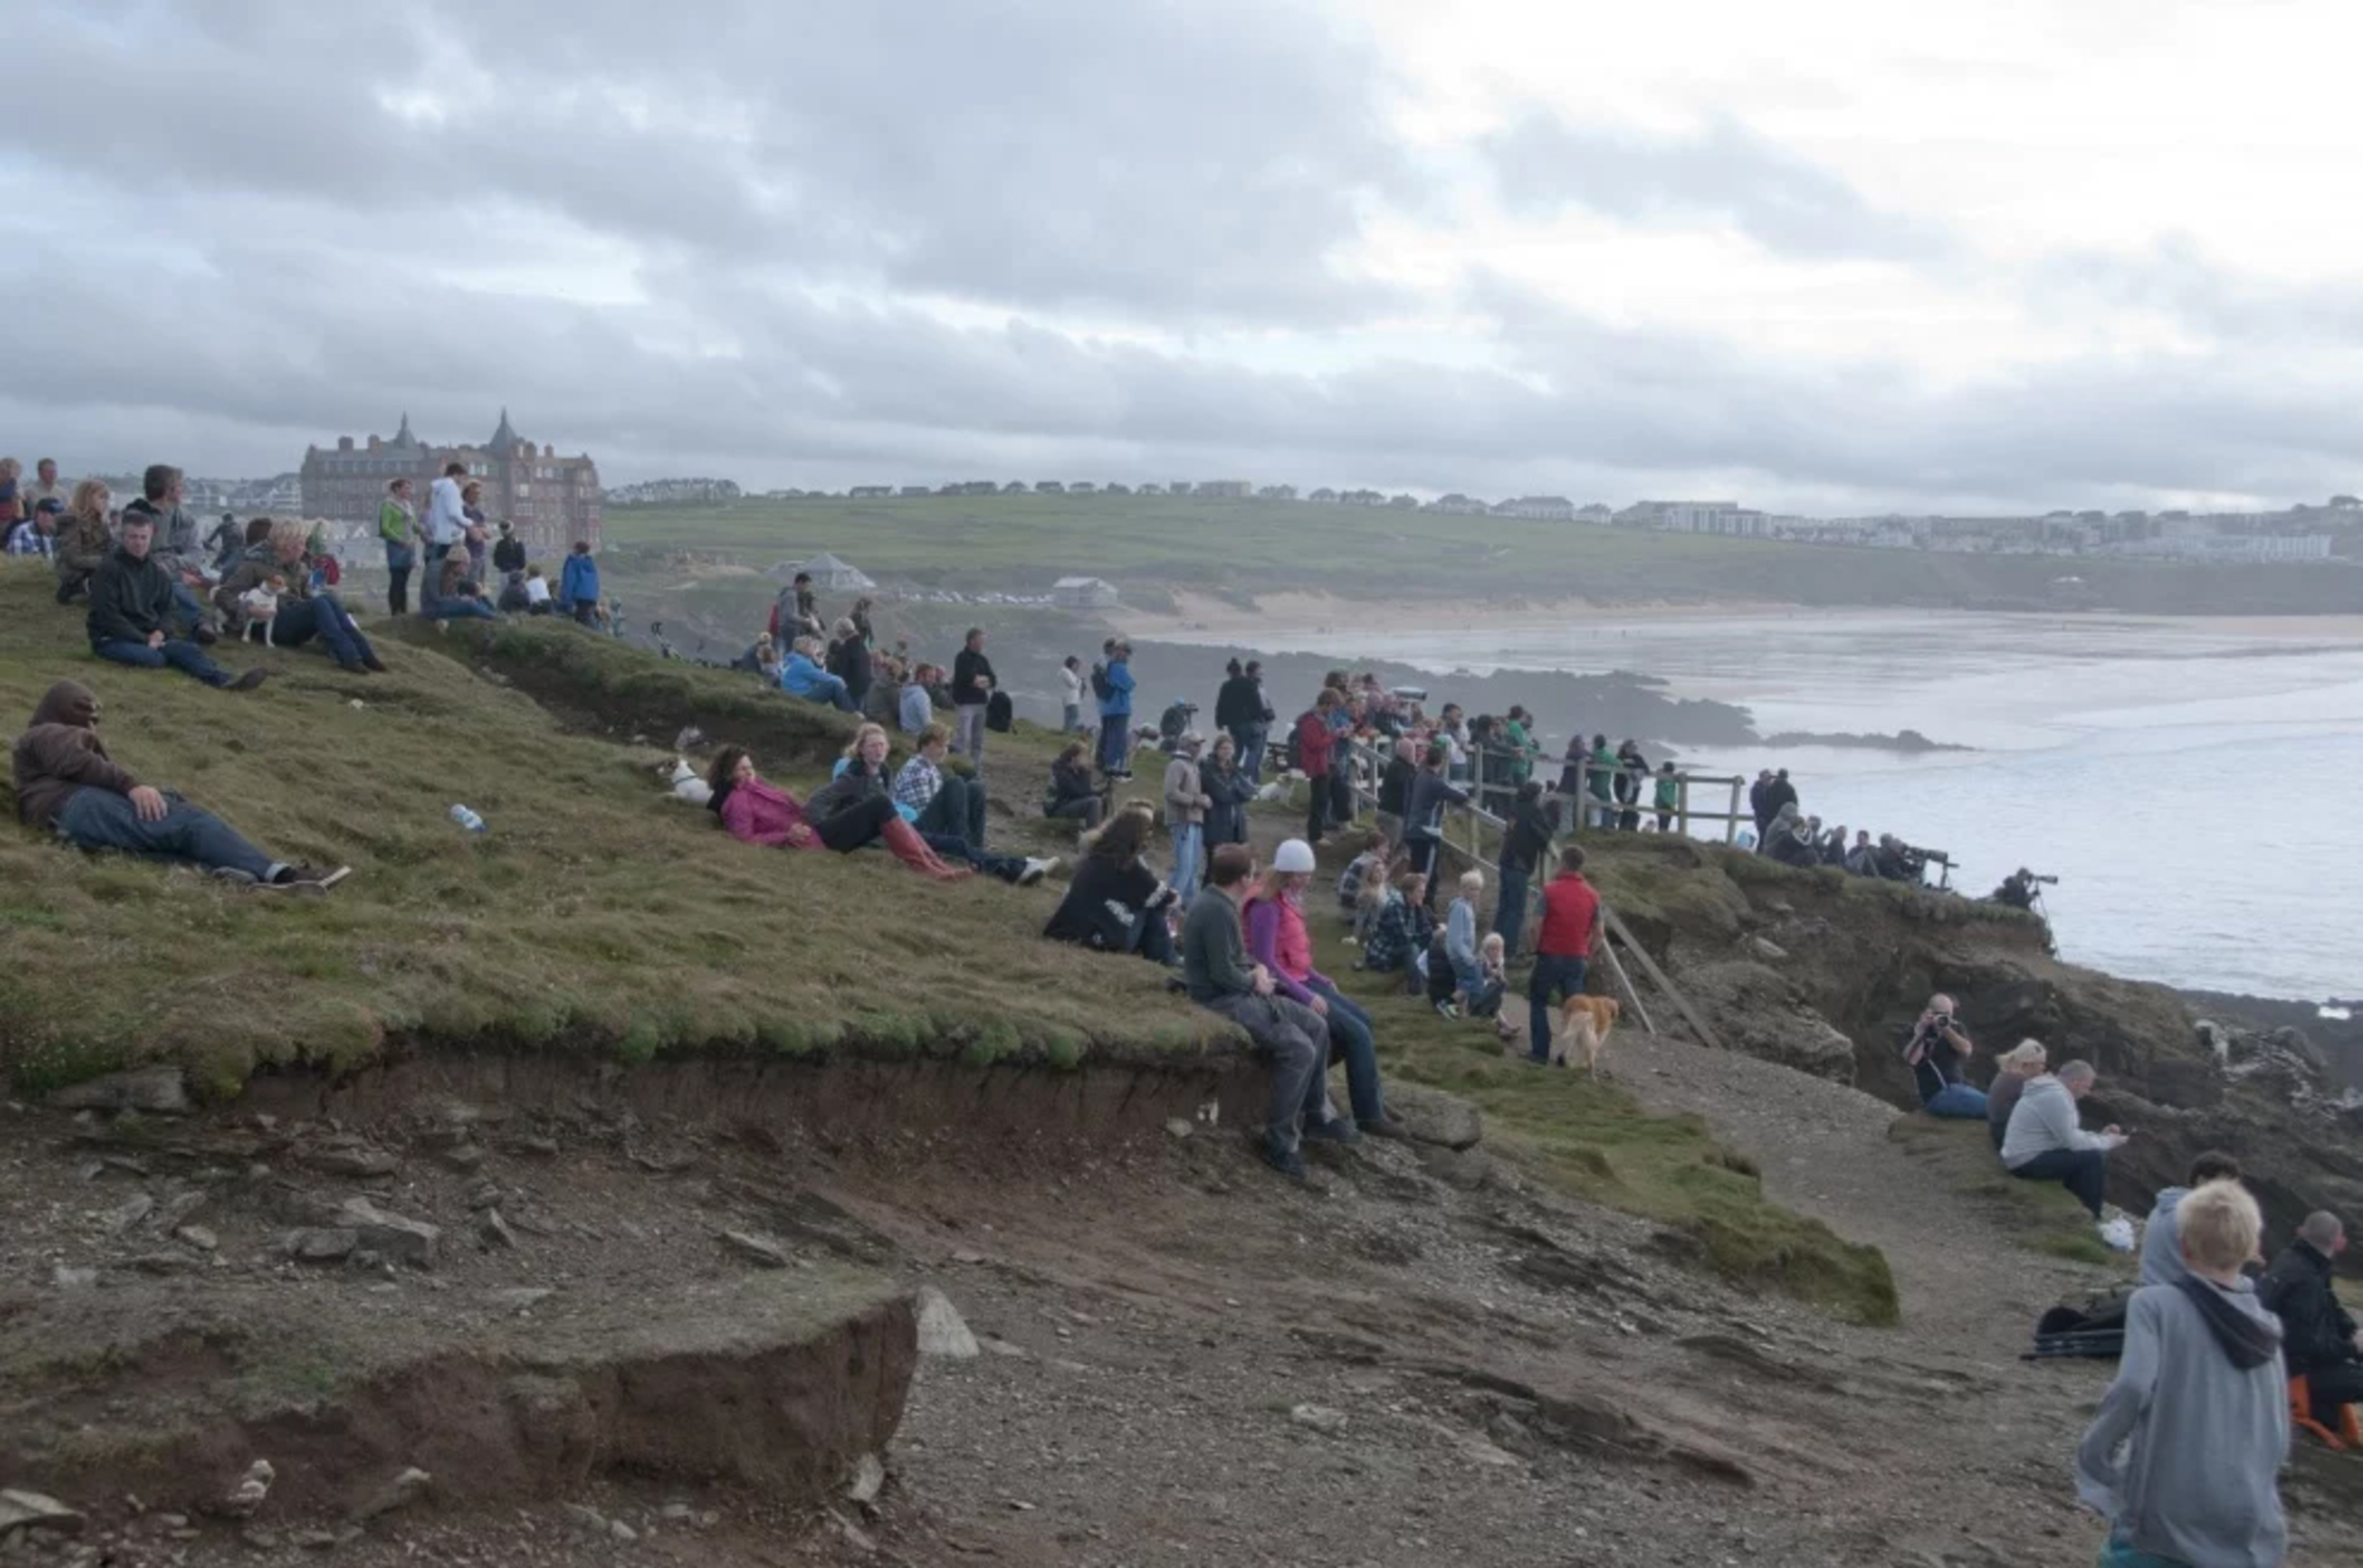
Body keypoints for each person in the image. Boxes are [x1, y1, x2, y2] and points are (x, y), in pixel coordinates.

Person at [2076, 1180, 2288, 1568]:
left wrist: (2096, 1463)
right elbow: (2278, 1431)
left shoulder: (2155, 1306)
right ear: (2250, 1249)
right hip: (2246, 1519)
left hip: (2166, 1510)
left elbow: (2132, 1386)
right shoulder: (2268, 1326)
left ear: (2184, 1245)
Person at [12, 681, 337, 888]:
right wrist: (131, 786)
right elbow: (75, 762)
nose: (92, 726)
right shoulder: (50, 732)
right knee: (188, 823)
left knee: (160, 848)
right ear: (65, 711)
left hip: (62, 820)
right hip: (76, 804)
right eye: (88, 717)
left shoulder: (40, 739)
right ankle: (283, 875)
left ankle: (241, 880)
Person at [1181, 844, 1337, 1180]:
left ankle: (1313, 1115)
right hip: (1223, 999)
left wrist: (1256, 970)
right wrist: (1255, 980)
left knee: (1316, 1025)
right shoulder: (1217, 911)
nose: (1255, 878)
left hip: (1241, 989)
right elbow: (1222, 974)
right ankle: (1279, 1142)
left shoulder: (1221, 903)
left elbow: (1232, 960)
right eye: (1251, 873)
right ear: (1241, 879)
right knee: (1299, 1049)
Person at [1241, 839, 1401, 1140]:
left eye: (1308, 874)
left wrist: (1319, 978)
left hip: (1299, 978)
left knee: (1363, 1020)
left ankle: (1369, 1095)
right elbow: (1265, 961)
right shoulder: (1266, 905)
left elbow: (1292, 953)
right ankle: (1369, 1115)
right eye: (1302, 874)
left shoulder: (1287, 896)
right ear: (1286, 871)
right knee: (1356, 1033)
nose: (1307, 880)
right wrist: (1306, 995)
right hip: (1282, 987)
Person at [815, 724, 1049, 885]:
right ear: (861, 749)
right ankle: (1015, 869)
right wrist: (816, 831)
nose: (878, 749)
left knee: (971, 791)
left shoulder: (883, 772)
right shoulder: (854, 774)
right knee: (956, 815)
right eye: (872, 745)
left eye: (881, 745)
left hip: (900, 825)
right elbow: (821, 801)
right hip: (892, 832)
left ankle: (1018, 863)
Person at [706, 745, 966, 880]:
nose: (750, 772)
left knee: (882, 809)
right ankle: (928, 869)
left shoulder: (755, 786)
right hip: (811, 839)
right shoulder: (737, 802)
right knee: (880, 805)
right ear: (728, 773)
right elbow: (744, 839)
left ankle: (936, 865)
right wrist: (786, 835)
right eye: (742, 769)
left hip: (815, 830)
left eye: (750, 766)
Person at [86, 512, 268, 692]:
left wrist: (160, 632)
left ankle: (223, 680)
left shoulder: (155, 570)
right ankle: (171, 655)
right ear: (123, 537)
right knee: (155, 658)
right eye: (133, 537)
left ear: (151, 537)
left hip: (150, 635)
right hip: (111, 638)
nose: (139, 542)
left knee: (184, 649)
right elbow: (109, 616)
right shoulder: (108, 569)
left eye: (144, 537)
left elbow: (169, 608)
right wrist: (144, 639)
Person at [214, 519, 387, 673]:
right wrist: (249, 609)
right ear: (288, 545)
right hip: (270, 624)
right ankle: (349, 657)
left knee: (327, 597)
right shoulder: (252, 565)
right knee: (320, 602)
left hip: (293, 619)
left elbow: (307, 596)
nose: (305, 548)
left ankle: (364, 653)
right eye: (302, 543)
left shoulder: (299, 568)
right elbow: (223, 594)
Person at [2260, 1211, 2363, 1443]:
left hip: (2284, 1362)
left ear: (2300, 1232)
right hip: (2293, 1374)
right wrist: (2351, 1348)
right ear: (2339, 1243)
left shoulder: (2298, 1260)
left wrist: (2353, 1331)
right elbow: (2307, 1345)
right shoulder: (2305, 1281)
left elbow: (2332, 1307)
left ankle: (2327, 1414)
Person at [2001, 1060, 2128, 1230]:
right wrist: (2108, 1142)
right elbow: (2072, 1141)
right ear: (2076, 1083)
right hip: (2025, 1161)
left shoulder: (2052, 1091)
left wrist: (2099, 1136)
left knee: (2085, 1155)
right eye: (2087, 1087)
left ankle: (2079, 1206)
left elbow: (2068, 1134)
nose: (2088, 1092)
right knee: (2093, 1158)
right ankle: (2093, 1218)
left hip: (2025, 1153)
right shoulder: (2056, 1097)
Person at [1044, 802, 1178, 962]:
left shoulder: (1097, 852)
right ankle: (1167, 957)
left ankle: (1165, 952)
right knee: (1152, 908)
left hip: (1068, 928)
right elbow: (1168, 899)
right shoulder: (1128, 865)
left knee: (1147, 900)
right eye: (1148, 829)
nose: (1150, 834)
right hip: (1099, 937)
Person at [121, 464, 218, 641]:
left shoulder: (184, 518)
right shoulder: (136, 516)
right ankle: (198, 622)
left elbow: (196, 553)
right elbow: (130, 552)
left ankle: (197, 624)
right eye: (180, 485)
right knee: (172, 584)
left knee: (173, 583)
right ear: (168, 489)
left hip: (172, 570)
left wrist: (173, 565)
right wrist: (173, 570)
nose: (183, 490)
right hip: (140, 573)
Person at [1527, 846, 1603, 1064]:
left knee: (1538, 1000)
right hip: (1576, 959)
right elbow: (1599, 933)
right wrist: (1587, 955)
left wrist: (1535, 947)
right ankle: (1566, 1057)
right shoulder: (1592, 895)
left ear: (1562, 862)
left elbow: (1535, 926)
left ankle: (1540, 1053)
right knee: (1575, 1011)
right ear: (1581, 865)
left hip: (1549, 955)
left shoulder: (1550, 890)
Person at [2140, 1150, 2246, 1289]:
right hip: (2178, 1300)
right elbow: (2214, 1278)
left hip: (2150, 1288)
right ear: (2201, 1181)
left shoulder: (2165, 1204)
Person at [894, 723, 992, 849]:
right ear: (925, 745)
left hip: (929, 822)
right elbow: (923, 809)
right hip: (915, 830)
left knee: (975, 788)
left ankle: (976, 848)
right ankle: (961, 846)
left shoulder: (931, 768)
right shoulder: (916, 769)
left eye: (946, 746)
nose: (944, 751)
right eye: (940, 746)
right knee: (955, 784)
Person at [1401, 741, 1468, 906]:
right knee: (1427, 875)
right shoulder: (1435, 782)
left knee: (1416, 869)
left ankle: (1409, 903)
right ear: (1442, 762)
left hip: (1413, 828)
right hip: (1428, 833)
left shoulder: (1419, 775)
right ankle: (1424, 907)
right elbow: (1460, 795)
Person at [1495, 780, 1556, 963]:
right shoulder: (1534, 812)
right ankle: (1509, 952)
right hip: (1519, 864)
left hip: (1506, 860)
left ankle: (1494, 947)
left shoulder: (1515, 807)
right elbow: (1545, 835)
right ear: (1536, 796)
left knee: (1504, 906)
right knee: (1516, 910)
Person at [1901, 993, 1985, 1118]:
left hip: (1960, 1088)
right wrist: (1921, 1032)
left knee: (1993, 1103)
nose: (1944, 1018)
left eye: (1948, 1015)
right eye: (1940, 1013)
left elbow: (1967, 1051)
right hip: (1937, 1094)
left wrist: (1946, 1030)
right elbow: (1911, 1060)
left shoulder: (1955, 1027)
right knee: (1990, 1107)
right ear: (1929, 1012)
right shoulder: (1916, 1030)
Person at [1361, 870, 1436, 988]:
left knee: (1434, 944)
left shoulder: (1415, 905)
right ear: (1408, 892)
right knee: (1413, 948)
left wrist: (1433, 935)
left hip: (1397, 949)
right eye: (1420, 892)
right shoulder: (1395, 907)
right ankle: (1416, 990)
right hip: (1382, 955)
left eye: (1424, 891)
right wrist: (1430, 935)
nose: (1423, 895)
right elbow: (1404, 938)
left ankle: (1433, 985)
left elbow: (1426, 929)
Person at [1163, 731, 1212, 908]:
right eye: (1195, 744)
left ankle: (1189, 907)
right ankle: (1166, 907)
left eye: (1200, 744)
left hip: (1194, 821)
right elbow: (1170, 792)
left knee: (1193, 867)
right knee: (1183, 867)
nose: (1199, 748)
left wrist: (1203, 799)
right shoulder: (1177, 764)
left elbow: (1191, 793)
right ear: (1183, 745)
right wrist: (1196, 800)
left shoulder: (1193, 765)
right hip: (1182, 821)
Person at [51, 479, 114, 606]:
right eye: (101, 497)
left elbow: (108, 547)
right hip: (75, 570)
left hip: (95, 564)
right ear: (87, 498)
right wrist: (103, 561)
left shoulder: (101, 522)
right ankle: (75, 587)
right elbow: (72, 558)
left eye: (106, 498)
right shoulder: (72, 521)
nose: (105, 502)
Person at [1293, 689, 1339, 844]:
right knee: (1319, 801)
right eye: (1333, 706)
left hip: (1325, 763)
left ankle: (1320, 831)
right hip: (1317, 765)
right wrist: (1335, 736)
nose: (1333, 710)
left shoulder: (1322, 719)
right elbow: (1316, 744)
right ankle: (1315, 835)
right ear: (1326, 704)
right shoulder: (1311, 721)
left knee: (1325, 798)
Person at [1985, 1039, 2047, 1151]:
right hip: (2005, 1134)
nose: (2043, 1067)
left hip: (1998, 1129)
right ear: (2028, 1064)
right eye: (2041, 1063)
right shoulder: (2019, 1080)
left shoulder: (2009, 1074)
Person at [1201, 732, 1254, 853]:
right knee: (1215, 862)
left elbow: (1249, 793)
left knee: (1235, 861)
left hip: (1236, 824)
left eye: (1229, 748)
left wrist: (1234, 790)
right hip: (1216, 823)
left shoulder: (1234, 769)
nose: (1227, 751)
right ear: (1216, 750)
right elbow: (1222, 795)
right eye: (1223, 748)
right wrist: (1237, 791)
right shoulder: (1208, 769)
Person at [950, 627, 994, 764]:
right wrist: (981, 680)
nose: (983, 643)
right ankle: (957, 765)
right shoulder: (961, 658)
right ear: (971, 641)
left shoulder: (983, 660)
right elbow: (967, 678)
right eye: (980, 640)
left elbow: (993, 679)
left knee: (978, 740)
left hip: (981, 702)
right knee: (963, 737)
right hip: (966, 702)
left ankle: (975, 771)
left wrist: (980, 681)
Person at [781, 635, 857, 712]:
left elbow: (815, 675)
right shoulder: (801, 663)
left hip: (794, 694)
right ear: (804, 648)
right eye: (812, 646)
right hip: (801, 695)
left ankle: (847, 711)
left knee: (834, 684)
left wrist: (818, 663)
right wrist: (839, 680)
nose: (815, 649)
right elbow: (821, 678)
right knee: (835, 685)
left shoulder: (794, 659)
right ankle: (850, 713)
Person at [1044, 739, 1106, 835]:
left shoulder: (1075, 769)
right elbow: (1079, 792)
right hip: (1055, 809)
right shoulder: (1061, 771)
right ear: (1074, 758)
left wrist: (1101, 792)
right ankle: (1093, 838)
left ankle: (1099, 831)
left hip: (1067, 802)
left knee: (1100, 799)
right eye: (1084, 756)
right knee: (1094, 802)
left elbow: (1084, 790)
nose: (1087, 759)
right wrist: (1086, 772)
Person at [1095, 638, 1135, 777]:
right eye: (1127, 652)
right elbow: (1129, 684)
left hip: (1108, 708)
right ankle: (1113, 766)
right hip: (1119, 707)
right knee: (1118, 738)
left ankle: (1106, 763)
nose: (1128, 656)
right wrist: (1131, 682)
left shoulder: (1107, 665)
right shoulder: (1118, 667)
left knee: (1110, 736)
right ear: (1120, 652)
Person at [423, 552, 500, 623]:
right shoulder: (434, 572)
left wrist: (474, 586)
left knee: (480, 596)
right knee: (469, 606)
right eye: (466, 564)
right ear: (457, 564)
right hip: (433, 608)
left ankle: (496, 613)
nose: (468, 568)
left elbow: (461, 583)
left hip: (447, 602)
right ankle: (495, 619)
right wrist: (460, 599)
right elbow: (436, 599)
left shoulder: (454, 573)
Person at [378, 478, 418, 615]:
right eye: (406, 488)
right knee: (397, 579)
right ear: (396, 489)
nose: (409, 491)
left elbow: (414, 524)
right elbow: (385, 527)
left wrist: (425, 535)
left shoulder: (408, 505)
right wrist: (400, 540)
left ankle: (403, 610)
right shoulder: (388, 505)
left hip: (409, 546)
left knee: (405, 580)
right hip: (396, 547)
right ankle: (395, 611)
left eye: (409, 488)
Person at [1373, 736, 1415, 847]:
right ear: (1407, 752)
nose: (1414, 755)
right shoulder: (1399, 767)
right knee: (1387, 849)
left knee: (1385, 848)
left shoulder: (1398, 764)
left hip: (1388, 812)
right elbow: (1404, 783)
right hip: (1392, 815)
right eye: (1412, 751)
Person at [827, 616, 873, 715]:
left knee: (851, 715)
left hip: (852, 687)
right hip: (865, 685)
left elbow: (842, 671)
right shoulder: (862, 645)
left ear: (841, 632)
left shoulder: (845, 649)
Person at [559, 541, 601, 626]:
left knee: (581, 625)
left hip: (578, 599)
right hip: (591, 598)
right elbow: (595, 582)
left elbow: (569, 582)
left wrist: (566, 602)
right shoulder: (590, 563)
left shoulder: (573, 562)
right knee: (587, 622)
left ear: (576, 549)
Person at [1058, 655, 1087, 734]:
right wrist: (1080, 681)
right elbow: (1073, 684)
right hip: (1070, 699)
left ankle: (1067, 733)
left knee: (1070, 717)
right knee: (1073, 716)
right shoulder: (1065, 671)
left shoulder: (1069, 672)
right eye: (1076, 665)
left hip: (1071, 699)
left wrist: (1079, 682)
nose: (1077, 667)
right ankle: (1070, 734)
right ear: (1072, 663)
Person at [1652, 762, 1681, 834]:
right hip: (1662, 803)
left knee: (1666, 822)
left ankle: (1663, 836)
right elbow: (1662, 792)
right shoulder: (1662, 779)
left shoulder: (1671, 778)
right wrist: (1669, 803)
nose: (1672, 773)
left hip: (1669, 803)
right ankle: (1662, 837)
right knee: (1663, 822)